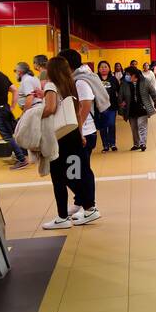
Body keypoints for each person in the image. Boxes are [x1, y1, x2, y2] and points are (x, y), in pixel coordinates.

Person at [39, 56, 100, 229]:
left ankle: (64, 217)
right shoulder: (70, 86)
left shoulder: (51, 86)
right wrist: (80, 134)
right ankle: (88, 208)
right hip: (72, 133)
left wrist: (34, 113)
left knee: (58, 176)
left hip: (59, 136)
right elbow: (77, 111)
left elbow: (50, 108)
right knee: (75, 173)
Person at [59, 49, 103, 223]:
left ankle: (89, 207)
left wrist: (78, 129)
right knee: (78, 170)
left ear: (67, 63)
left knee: (78, 171)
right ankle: (82, 203)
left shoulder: (80, 82)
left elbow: (85, 105)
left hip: (83, 133)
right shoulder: (76, 79)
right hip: (81, 132)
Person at [0, 56, 28, 168]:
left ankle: (21, 158)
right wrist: (12, 106)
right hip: (4, 109)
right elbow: (15, 90)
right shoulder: (3, 76)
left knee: (7, 136)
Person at [122, 65, 156, 150]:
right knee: (134, 128)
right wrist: (122, 103)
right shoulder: (125, 84)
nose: (126, 76)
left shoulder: (145, 81)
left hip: (142, 108)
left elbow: (153, 92)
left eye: (128, 74)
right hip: (131, 108)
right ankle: (136, 144)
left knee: (142, 126)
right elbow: (121, 94)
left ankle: (142, 144)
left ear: (134, 74)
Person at [95, 60, 118, 152]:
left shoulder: (113, 79)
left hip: (112, 106)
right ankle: (105, 145)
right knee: (103, 126)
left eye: (105, 67)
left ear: (109, 68)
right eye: (101, 67)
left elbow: (118, 91)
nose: (103, 68)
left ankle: (113, 144)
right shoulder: (95, 79)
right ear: (98, 69)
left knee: (111, 124)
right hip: (100, 106)